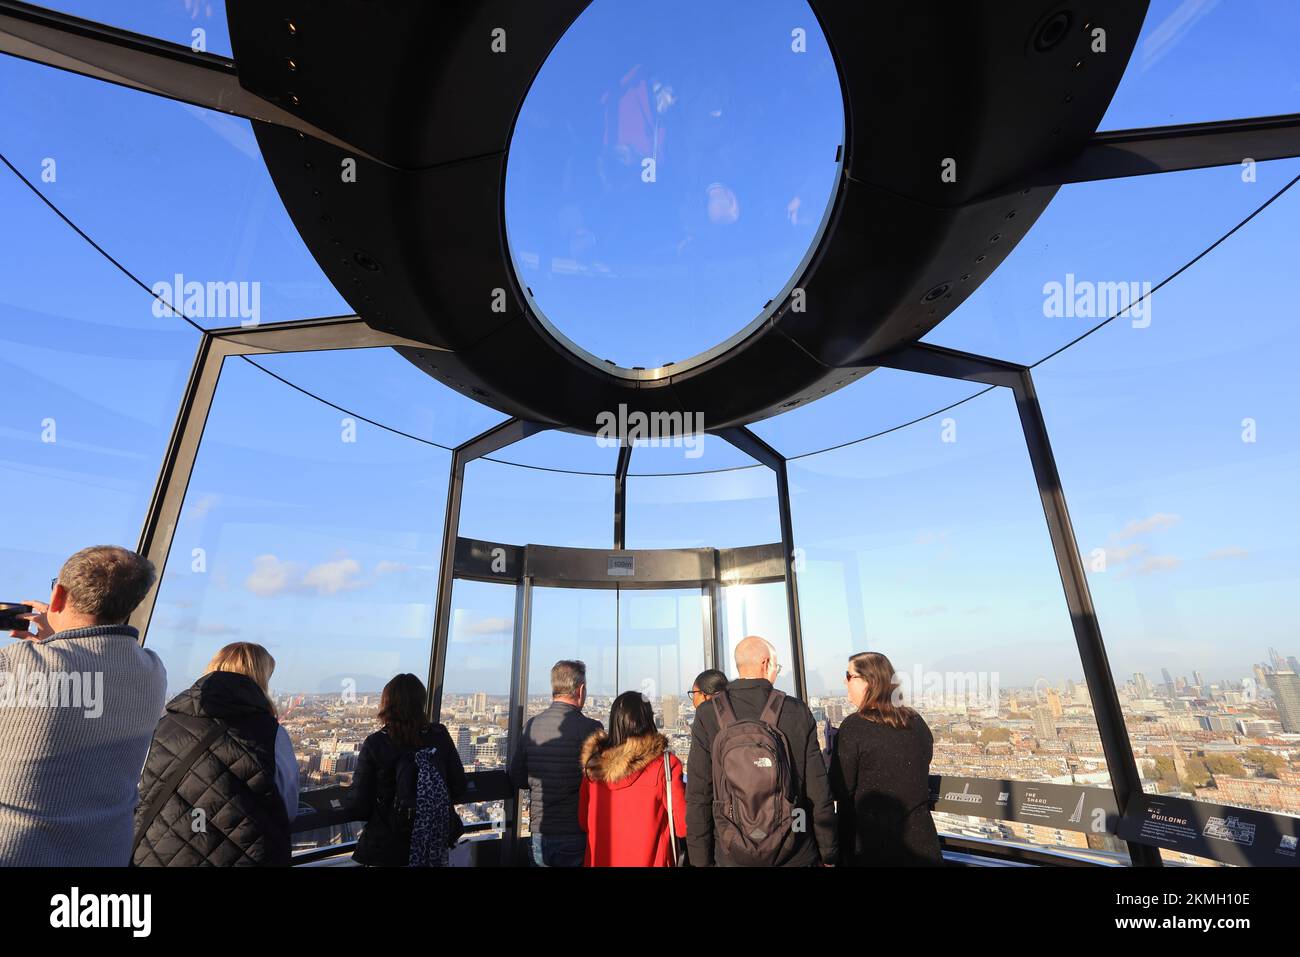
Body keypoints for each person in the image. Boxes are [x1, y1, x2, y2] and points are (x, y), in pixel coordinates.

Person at [0, 546, 167, 866]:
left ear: (59, 594)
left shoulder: (12, 664)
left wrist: (51, 646)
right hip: (103, 859)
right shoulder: (153, 672)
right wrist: (54, 645)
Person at [133, 642, 297, 866]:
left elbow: (139, 792)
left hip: (159, 856)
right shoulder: (272, 735)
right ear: (261, 679)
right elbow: (288, 806)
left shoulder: (161, 726)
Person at [686, 636, 837, 867]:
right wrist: (829, 853)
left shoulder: (708, 714)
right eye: (777, 666)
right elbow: (818, 791)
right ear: (766, 663)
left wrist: (700, 861)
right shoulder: (796, 711)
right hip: (794, 852)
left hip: (730, 853)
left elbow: (698, 795)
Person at [829, 651, 942, 866]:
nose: (845, 682)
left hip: (871, 848)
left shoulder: (854, 727)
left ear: (869, 681)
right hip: (921, 844)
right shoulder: (916, 722)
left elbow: (840, 787)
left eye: (849, 675)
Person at [350, 673, 466, 867]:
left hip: (387, 847)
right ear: (421, 703)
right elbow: (459, 786)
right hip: (434, 843)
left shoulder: (376, 743)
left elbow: (359, 804)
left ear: (386, 704)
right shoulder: (439, 736)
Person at [507, 659, 603, 866]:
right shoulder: (591, 728)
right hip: (575, 831)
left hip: (539, 831)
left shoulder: (531, 726)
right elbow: (602, 781)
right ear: (581, 690)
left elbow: (517, 777)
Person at [578, 691, 686, 867]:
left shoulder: (594, 767)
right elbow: (682, 825)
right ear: (648, 720)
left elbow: (584, 821)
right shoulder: (664, 766)